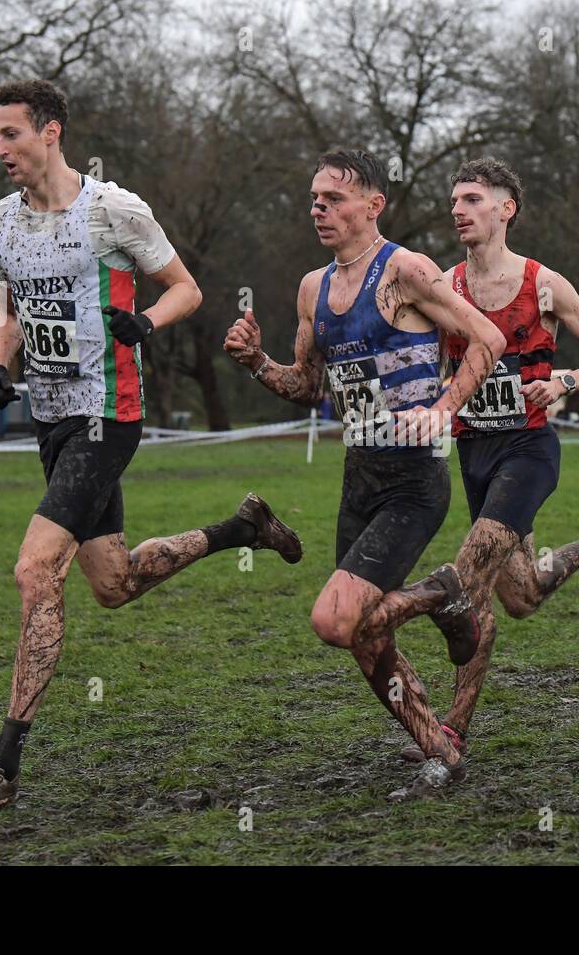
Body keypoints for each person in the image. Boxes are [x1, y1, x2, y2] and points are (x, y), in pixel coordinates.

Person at [0, 79, 303, 817]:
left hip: (109, 413)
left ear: (52, 131)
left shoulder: (113, 210)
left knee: (37, 570)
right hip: (53, 417)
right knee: (114, 582)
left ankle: (0, 765)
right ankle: (243, 528)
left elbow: (187, 288)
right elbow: (7, 308)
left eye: (11, 134)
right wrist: (0, 369)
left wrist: (149, 324)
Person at [224, 148, 505, 800]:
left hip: (413, 480)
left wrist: (441, 409)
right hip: (359, 478)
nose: (318, 207)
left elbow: (487, 338)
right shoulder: (311, 289)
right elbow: (308, 385)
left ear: (373, 205)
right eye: (314, 198)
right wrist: (257, 362)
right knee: (365, 639)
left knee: (337, 619)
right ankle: (438, 748)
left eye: (334, 198)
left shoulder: (404, 270)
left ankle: (441, 593)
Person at [355, 158, 579, 764]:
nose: (458, 209)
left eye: (472, 199)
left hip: (528, 451)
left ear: (505, 209)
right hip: (473, 453)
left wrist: (566, 379)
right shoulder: (444, 287)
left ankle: (452, 728)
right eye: (454, 200)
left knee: (471, 572)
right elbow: (418, 357)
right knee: (522, 592)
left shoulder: (544, 283)